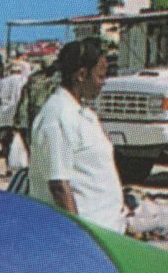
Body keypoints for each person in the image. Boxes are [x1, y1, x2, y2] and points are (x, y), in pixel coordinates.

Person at [24, 40, 123, 230]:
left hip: (105, 230)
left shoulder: (82, 112)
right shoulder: (57, 116)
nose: (103, 83)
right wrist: (78, 237)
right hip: (86, 236)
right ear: (82, 75)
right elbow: (59, 185)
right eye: (100, 77)